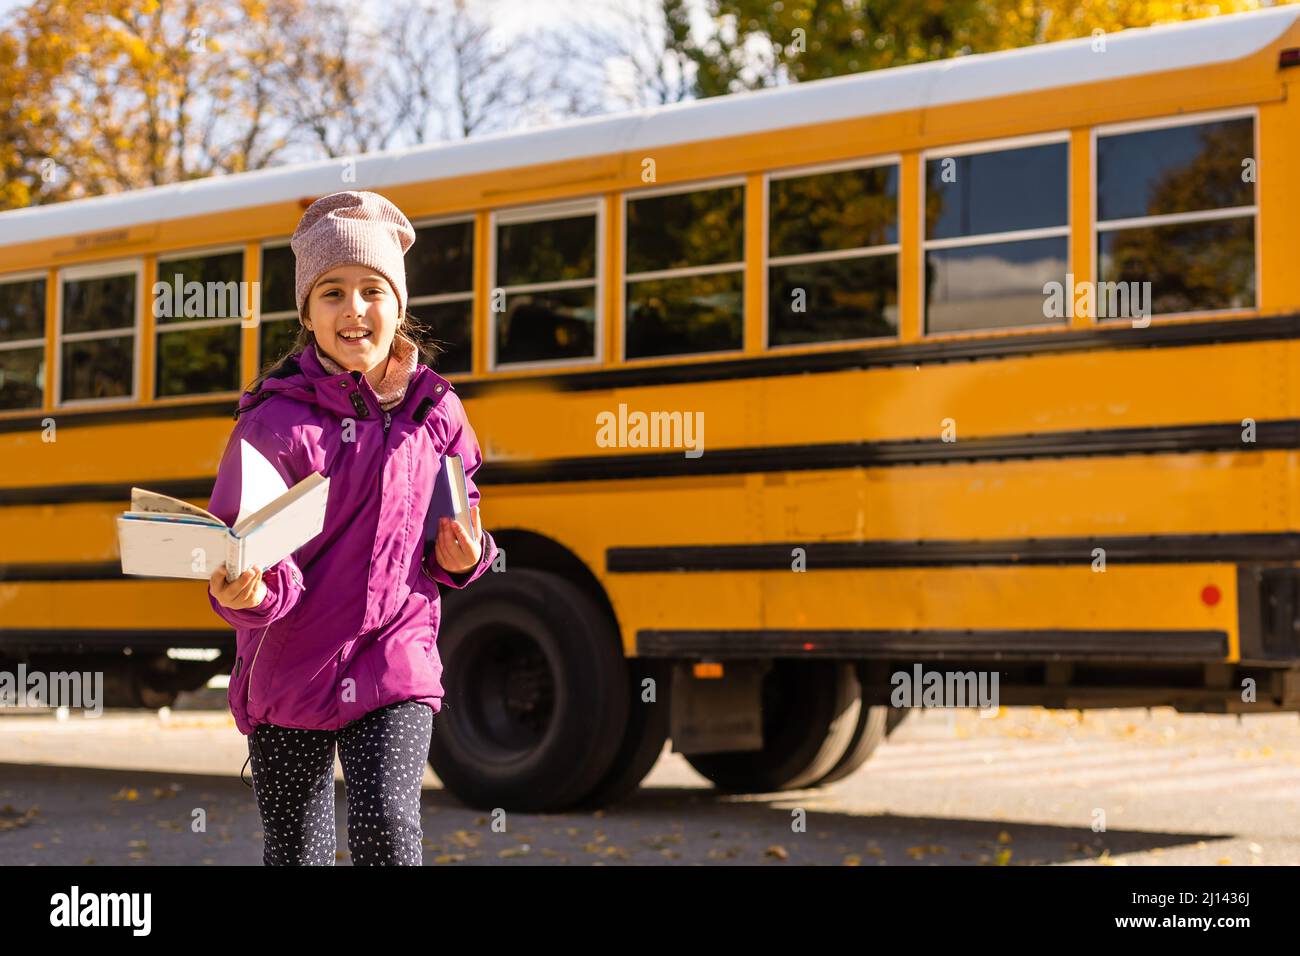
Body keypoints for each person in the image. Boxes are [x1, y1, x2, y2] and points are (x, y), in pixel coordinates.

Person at [206, 190, 497, 866]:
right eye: (332, 292)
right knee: (298, 853)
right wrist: (249, 592)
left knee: (390, 837)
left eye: (372, 289)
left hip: (395, 659)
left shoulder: (438, 413)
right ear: (307, 313)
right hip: (289, 670)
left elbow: (460, 525)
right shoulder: (272, 425)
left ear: (398, 306)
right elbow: (239, 551)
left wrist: (466, 556)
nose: (354, 309)